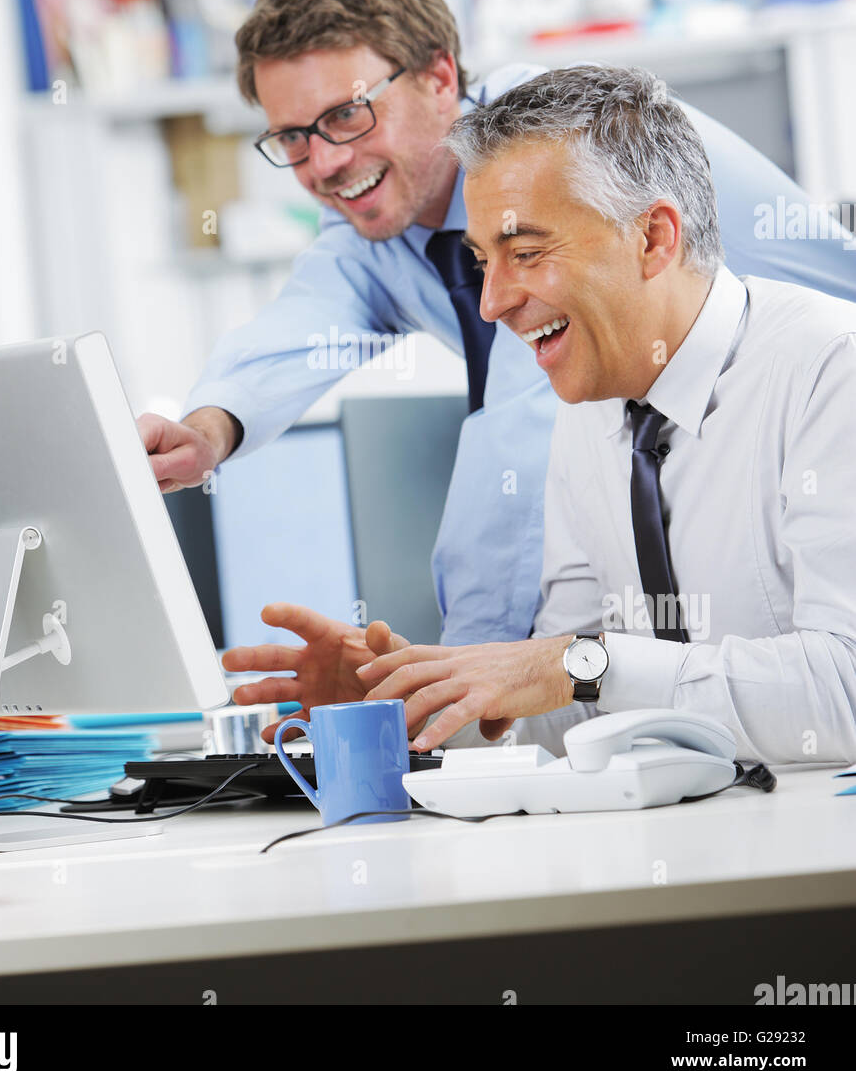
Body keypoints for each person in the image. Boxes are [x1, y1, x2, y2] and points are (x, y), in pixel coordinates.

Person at [136, 0, 855, 739]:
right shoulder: (397, 217)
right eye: (294, 139)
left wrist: (457, 678)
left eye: (344, 115)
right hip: (693, 496)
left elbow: (513, 452)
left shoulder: (545, 156)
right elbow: (310, 315)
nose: (326, 162)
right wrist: (206, 433)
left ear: (441, 79)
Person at [357, 65, 856, 765]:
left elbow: (846, 693)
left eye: (525, 254)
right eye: (483, 263)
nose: (492, 304)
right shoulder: (591, 405)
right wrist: (410, 703)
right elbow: (572, 706)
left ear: (654, 238)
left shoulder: (834, 368)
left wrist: (577, 663)